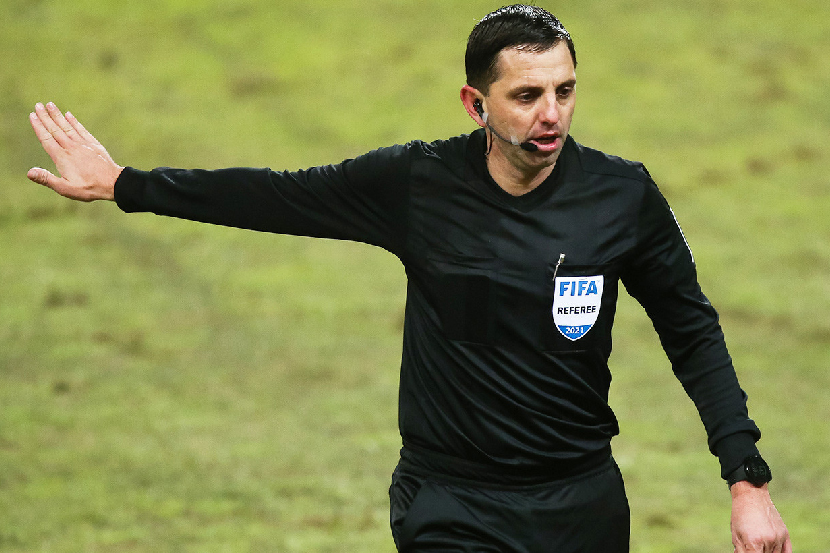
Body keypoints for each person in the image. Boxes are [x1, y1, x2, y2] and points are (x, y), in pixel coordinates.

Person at [27, 5, 790, 552]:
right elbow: (276, 196)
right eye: (527, 95)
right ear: (476, 103)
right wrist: (125, 183)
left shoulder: (621, 196)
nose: (551, 114)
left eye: (564, 90)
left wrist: (746, 479)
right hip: (450, 502)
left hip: (579, 504)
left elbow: (692, 330)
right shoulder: (417, 184)